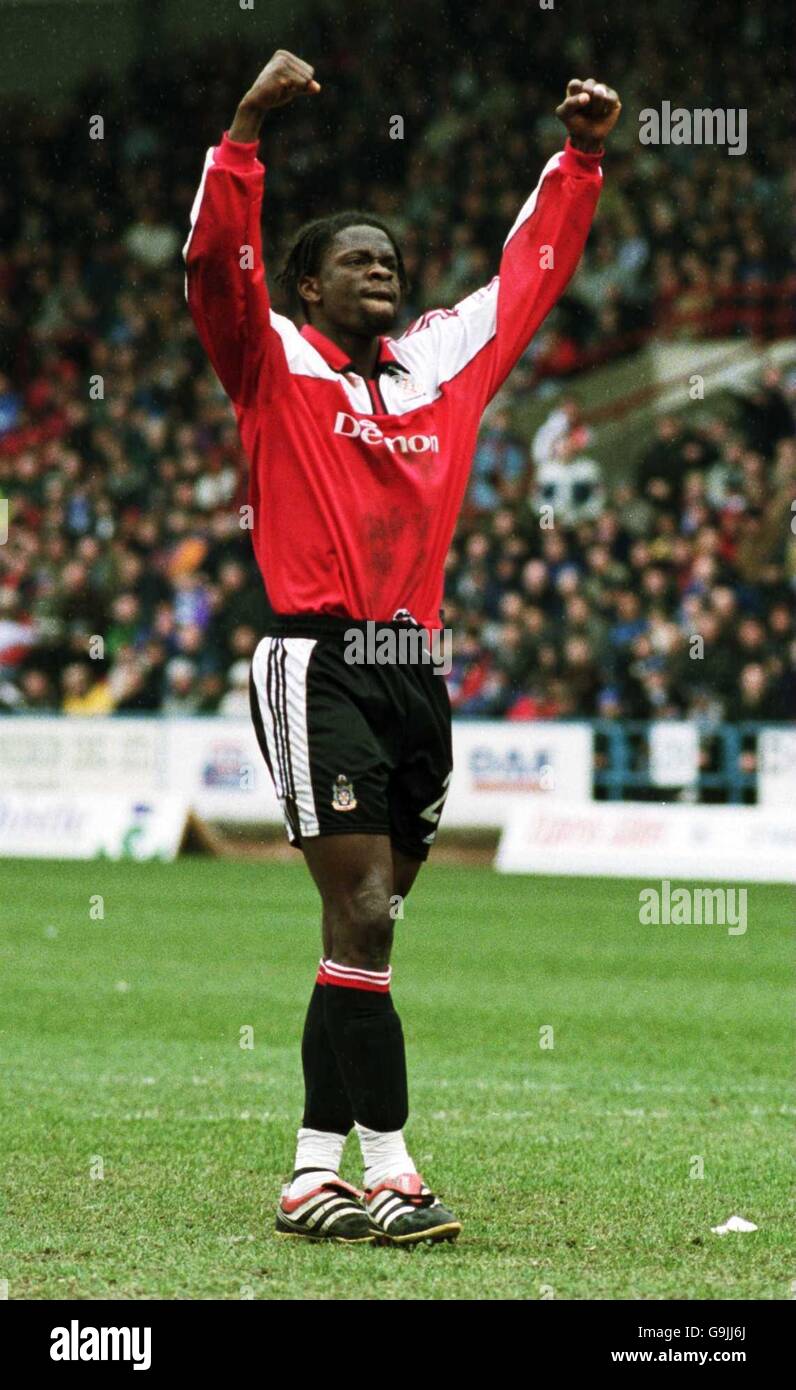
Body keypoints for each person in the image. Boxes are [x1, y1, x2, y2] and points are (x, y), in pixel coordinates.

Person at [185, 50, 621, 1246]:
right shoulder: (271, 360)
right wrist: (244, 136)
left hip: (414, 671)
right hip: (312, 658)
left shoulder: (442, 365)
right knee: (367, 913)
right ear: (309, 287)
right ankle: (395, 1172)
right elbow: (209, 275)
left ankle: (307, 1170)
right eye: (355, 261)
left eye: (390, 259)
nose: (381, 270)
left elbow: (526, 273)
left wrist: (580, 160)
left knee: (361, 937)